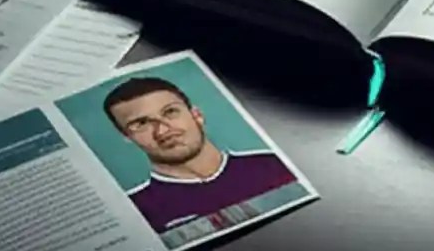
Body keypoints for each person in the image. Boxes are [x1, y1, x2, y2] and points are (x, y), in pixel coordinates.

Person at [103, 76, 298, 234]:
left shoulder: (275, 165)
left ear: (197, 115)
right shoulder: (133, 212)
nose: (162, 131)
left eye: (170, 112)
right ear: (126, 137)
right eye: (141, 123)